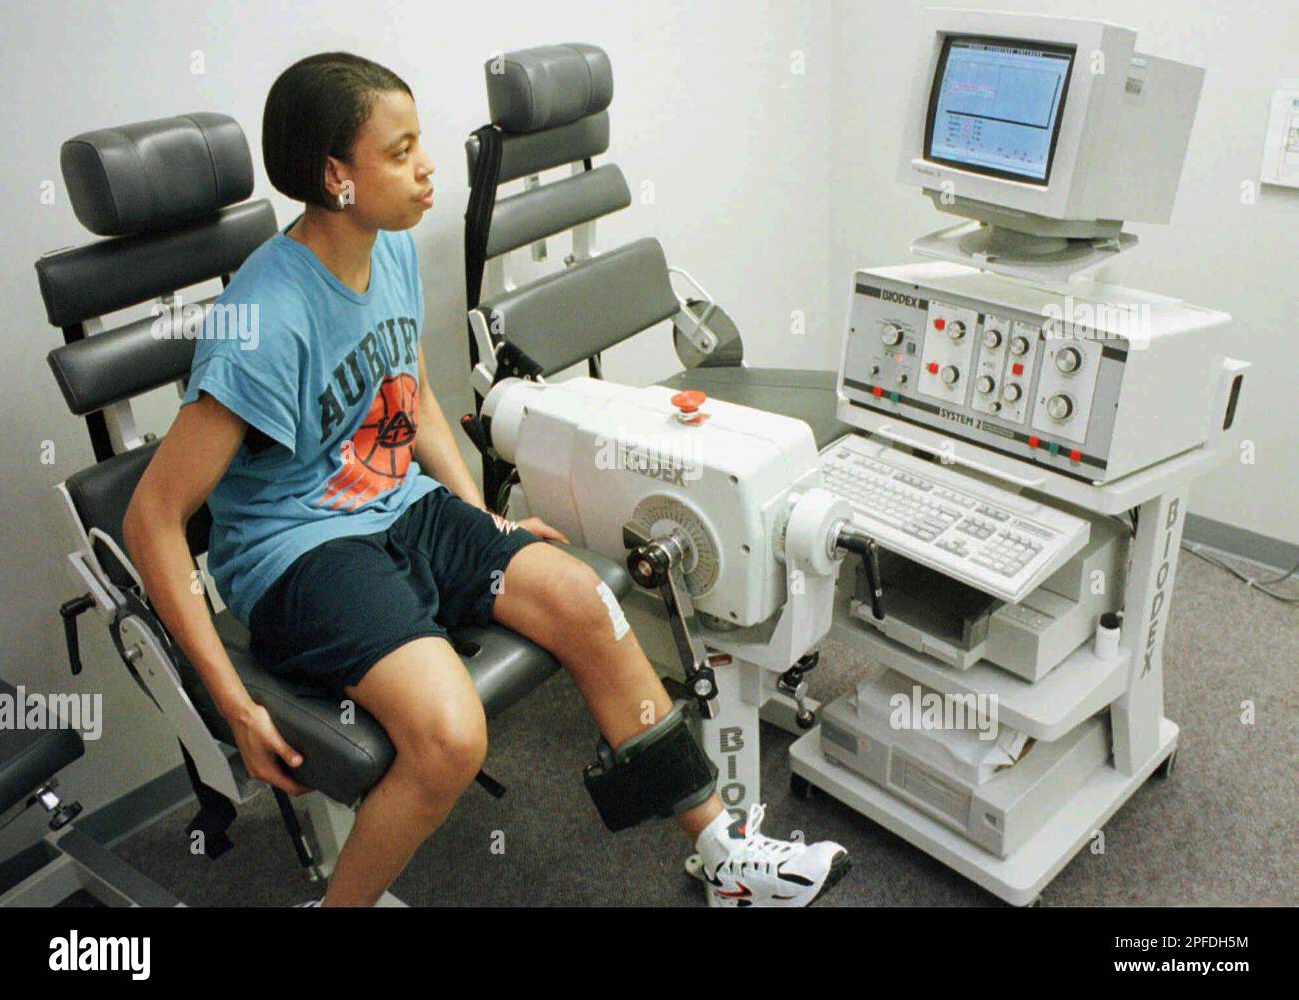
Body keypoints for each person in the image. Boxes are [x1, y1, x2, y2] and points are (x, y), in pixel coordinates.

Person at [122, 51, 849, 908]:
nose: (426, 167)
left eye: (418, 141)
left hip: (402, 509)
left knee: (588, 601)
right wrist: (236, 706)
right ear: (335, 177)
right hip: (301, 554)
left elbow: (415, 394)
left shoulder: (383, 249)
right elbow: (153, 518)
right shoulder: (264, 320)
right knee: (450, 735)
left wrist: (482, 522)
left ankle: (723, 855)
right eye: (399, 152)